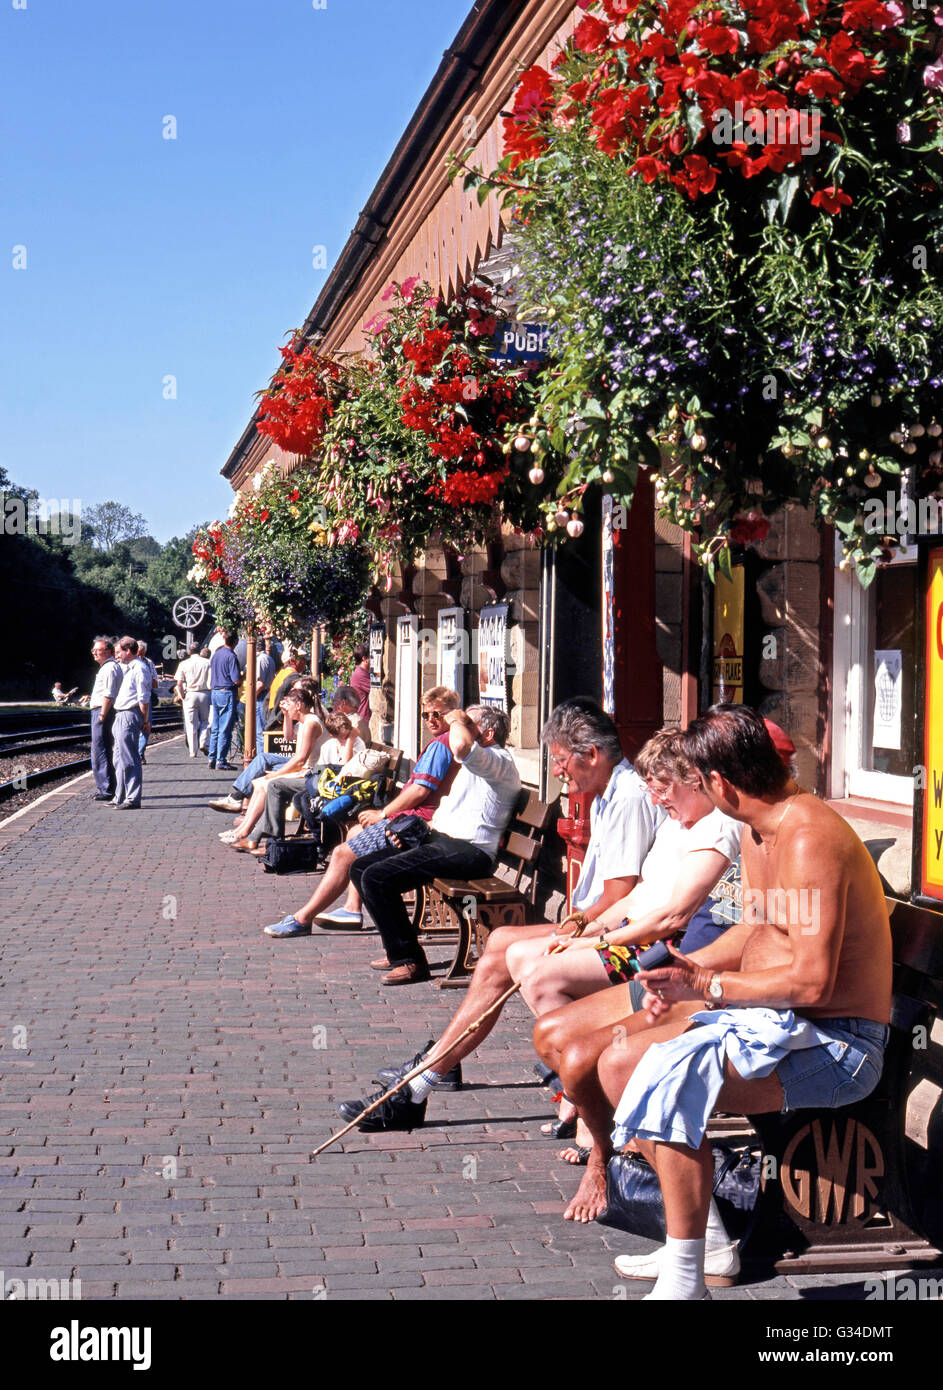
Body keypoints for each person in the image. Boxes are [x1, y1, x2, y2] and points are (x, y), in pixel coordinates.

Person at [594, 705, 892, 1301]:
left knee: (668, 1081)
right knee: (621, 1065)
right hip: (778, 1022)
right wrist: (690, 971)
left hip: (838, 1045)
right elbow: (755, 929)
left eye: (699, 781)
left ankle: (686, 1282)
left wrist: (707, 989)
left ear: (723, 783)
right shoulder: (762, 829)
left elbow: (812, 985)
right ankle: (700, 1244)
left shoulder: (808, 836)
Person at [335, 697, 662, 1128]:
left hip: (629, 934)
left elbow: (620, 892)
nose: (557, 771)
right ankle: (438, 1067)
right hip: (603, 922)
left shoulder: (626, 797)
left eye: (562, 761)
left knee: (510, 959)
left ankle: (431, 1077)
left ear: (592, 755)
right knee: (500, 944)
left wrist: (573, 926)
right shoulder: (605, 793)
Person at [262, 686, 461, 937]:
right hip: (416, 820)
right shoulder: (443, 742)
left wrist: (383, 813)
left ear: (452, 716)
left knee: (343, 854)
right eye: (426, 715)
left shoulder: (441, 745)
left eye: (438, 715)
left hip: (416, 824)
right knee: (354, 831)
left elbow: (420, 791)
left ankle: (303, 918)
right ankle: (352, 908)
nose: (431, 720)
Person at [346, 704, 522, 987]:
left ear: (488, 734)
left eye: (468, 724)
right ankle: (397, 949)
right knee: (360, 867)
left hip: (470, 851)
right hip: (443, 840)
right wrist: (416, 832)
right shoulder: (479, 762)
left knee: (378, 878)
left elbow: (462, 746)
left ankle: (410, 961)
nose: (459, 728)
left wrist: (455, 719)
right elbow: (452, 808)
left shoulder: (498, 762)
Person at [227, 681, 326, 852]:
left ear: (299, 705)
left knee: (270, 785)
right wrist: (287, 715)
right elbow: (289, 737)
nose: (287, 707)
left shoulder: (311, 723)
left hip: (314, 773)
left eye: (290, 705)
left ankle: (254, 836)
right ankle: (244, 831)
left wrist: (275, 774)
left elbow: (301, 759)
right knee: (259, 784)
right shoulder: (304, 721)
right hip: (307, 771)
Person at [110, 637, 151, 809]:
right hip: (121, 714)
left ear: (128, 650)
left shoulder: (140, 668)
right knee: (118, 758)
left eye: (118, 652)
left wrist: (145, 720)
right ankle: (120, 796)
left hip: (129, 714)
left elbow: (144, 697)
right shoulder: (129, 668)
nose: (116, 656)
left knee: (129, 758)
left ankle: (133, 798)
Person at [88, 637, 122, 801]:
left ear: (108, 651)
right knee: (101, 749)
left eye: (97, 649)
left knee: (100, 749)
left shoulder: (109, 668)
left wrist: (102, 714)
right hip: (101, 711)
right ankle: (106, 787)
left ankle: (106, 789)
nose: (94, 652)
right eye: (93, 649)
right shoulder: (107, 667)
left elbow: (108, 694)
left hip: (102, 712)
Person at [207, 630, 241, 771]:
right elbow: (236, 680)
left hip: (215, 692)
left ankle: (212, 757)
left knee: (215, 727)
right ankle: (221, 760)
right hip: (227, 692)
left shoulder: (216, 654)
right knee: (225, 728)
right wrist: (243, 676)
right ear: (235, 642)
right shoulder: (231, 656)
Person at [175, 646, 212, 757]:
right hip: (205, 693)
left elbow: (179, 683)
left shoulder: (184, 664)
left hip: (190, 694)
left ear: (189, 651)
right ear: (200, 651)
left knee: (191, 724)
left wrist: (182, 696)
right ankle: (203, 742)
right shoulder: (207, 662)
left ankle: (192, 751)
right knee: (205, 721)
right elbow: (211, 680)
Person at [349, 643, 372, 724]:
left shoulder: (362, 672)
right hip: (363, 719)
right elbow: (376, 689)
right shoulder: (360, 674)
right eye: (371, 656)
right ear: (364, 658)